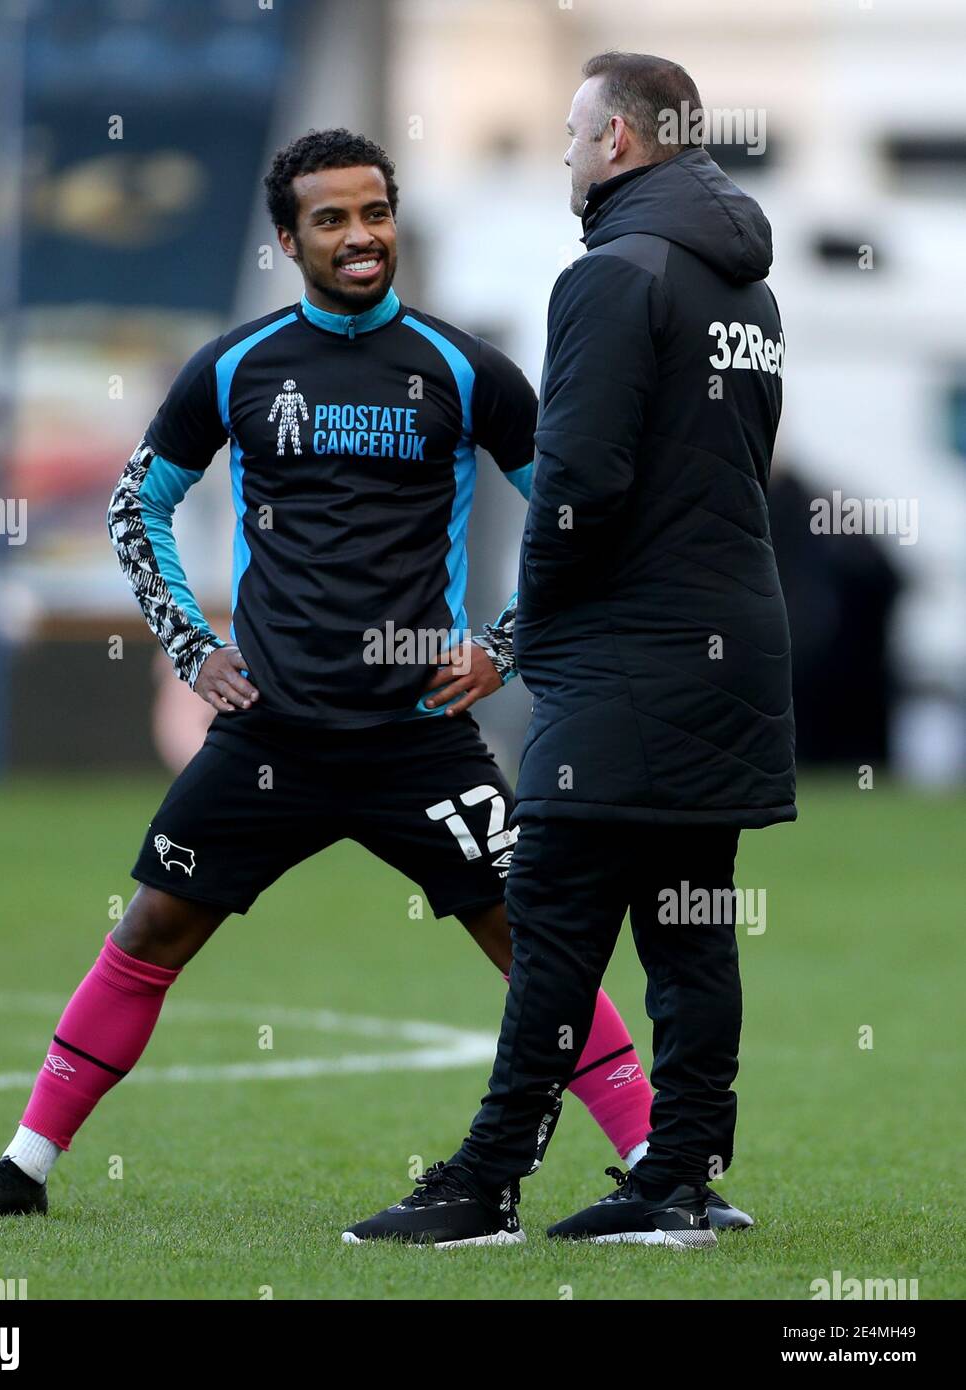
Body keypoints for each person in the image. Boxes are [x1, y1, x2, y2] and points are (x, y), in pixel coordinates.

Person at [0, 130, 751, 1225]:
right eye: (331, 218)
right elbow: (136, 505)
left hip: (421, 740)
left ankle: (658, 1171)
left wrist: (501, 647)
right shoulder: (236, 365)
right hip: (271, 737)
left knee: (537, 948)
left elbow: (575, 514)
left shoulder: (466, 369)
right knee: (149, 933)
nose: (360, 236)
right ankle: (21, 1167)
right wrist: (191, 646)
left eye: (375, 212)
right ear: (288, 239)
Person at [344, 53, 795, 1249]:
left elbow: (578, 482)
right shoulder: (746, 288)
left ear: (623, 142)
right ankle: (682, 1180)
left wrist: (532, 627)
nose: (561, 154)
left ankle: (486, 1182)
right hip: (732, 647)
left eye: (572, 131)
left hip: (626, 654)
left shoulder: (610, 276)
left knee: (548, 913)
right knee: (692, 922)